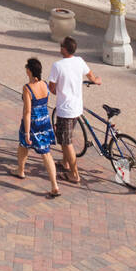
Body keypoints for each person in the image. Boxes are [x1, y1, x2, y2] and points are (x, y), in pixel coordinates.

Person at [48, 36, 101, 185]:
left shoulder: (57, 66)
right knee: (66, 136)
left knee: (66, 142)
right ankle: (65, 163)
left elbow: (52, 88)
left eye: (61, 45)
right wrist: (97, 80)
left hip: (65, 110)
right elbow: (91, 75)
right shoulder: (79, 61)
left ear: (64, 49)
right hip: (77, 108)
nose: (60, 47)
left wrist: (57, 91)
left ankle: (74, 174)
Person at [14, 57, 60, 198]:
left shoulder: (27, 88)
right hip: (45, 121)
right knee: (46, 153)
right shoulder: (44, 85)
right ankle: (54, 185)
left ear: (29, 71)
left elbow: (27, 112)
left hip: (32, 123)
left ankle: (21, 170)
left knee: (23, 144)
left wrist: (27, 132)